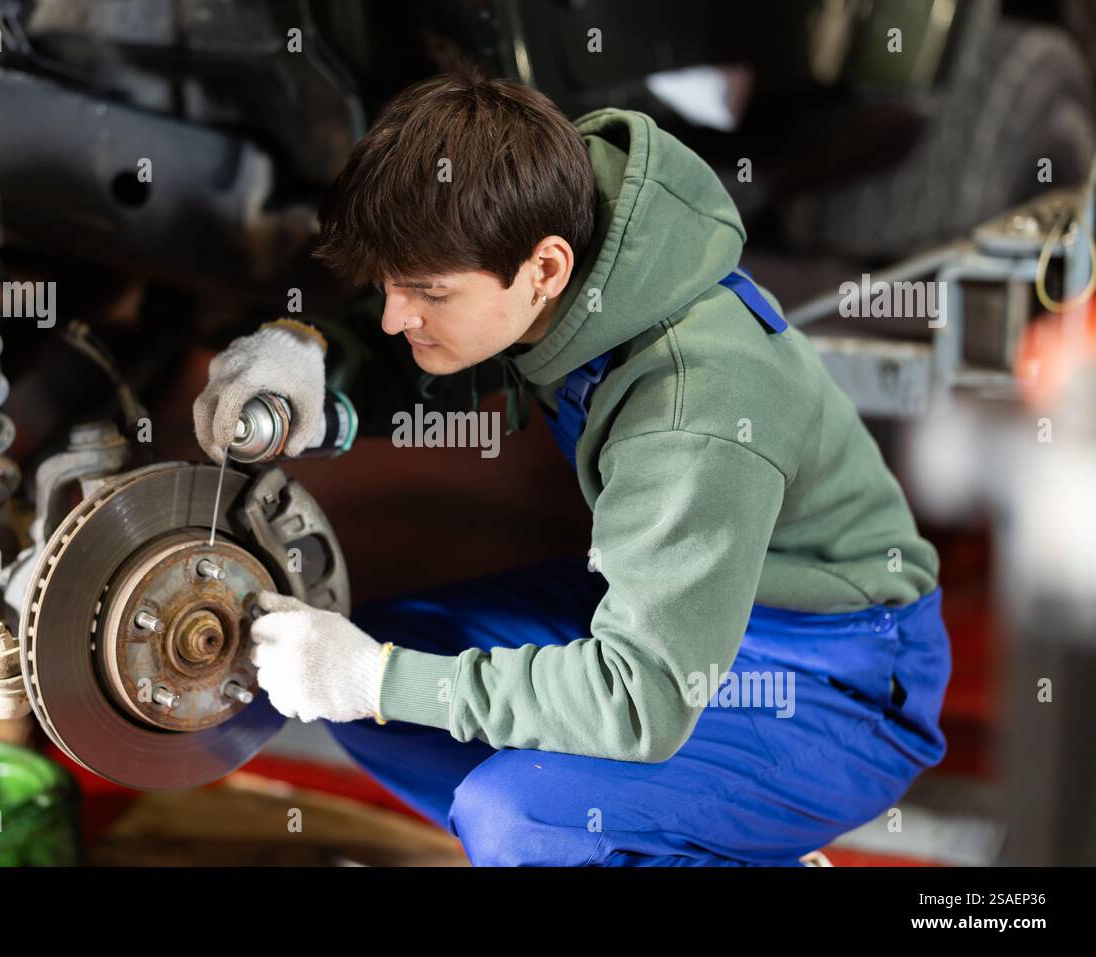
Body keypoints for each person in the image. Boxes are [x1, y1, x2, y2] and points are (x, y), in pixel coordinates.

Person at [192, 72, 952, 867]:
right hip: (686, 606)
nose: (393, 314)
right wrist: (313, 357)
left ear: (547, 269)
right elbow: (462, 333)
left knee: (521, 816)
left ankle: (695, 844)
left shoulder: (694, 406)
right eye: (386, 286)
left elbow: (640, 701)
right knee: (362, 660)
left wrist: (379, 681)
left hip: (837, 680)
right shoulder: (562, 218)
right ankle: (671, 837)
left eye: (424, 293)